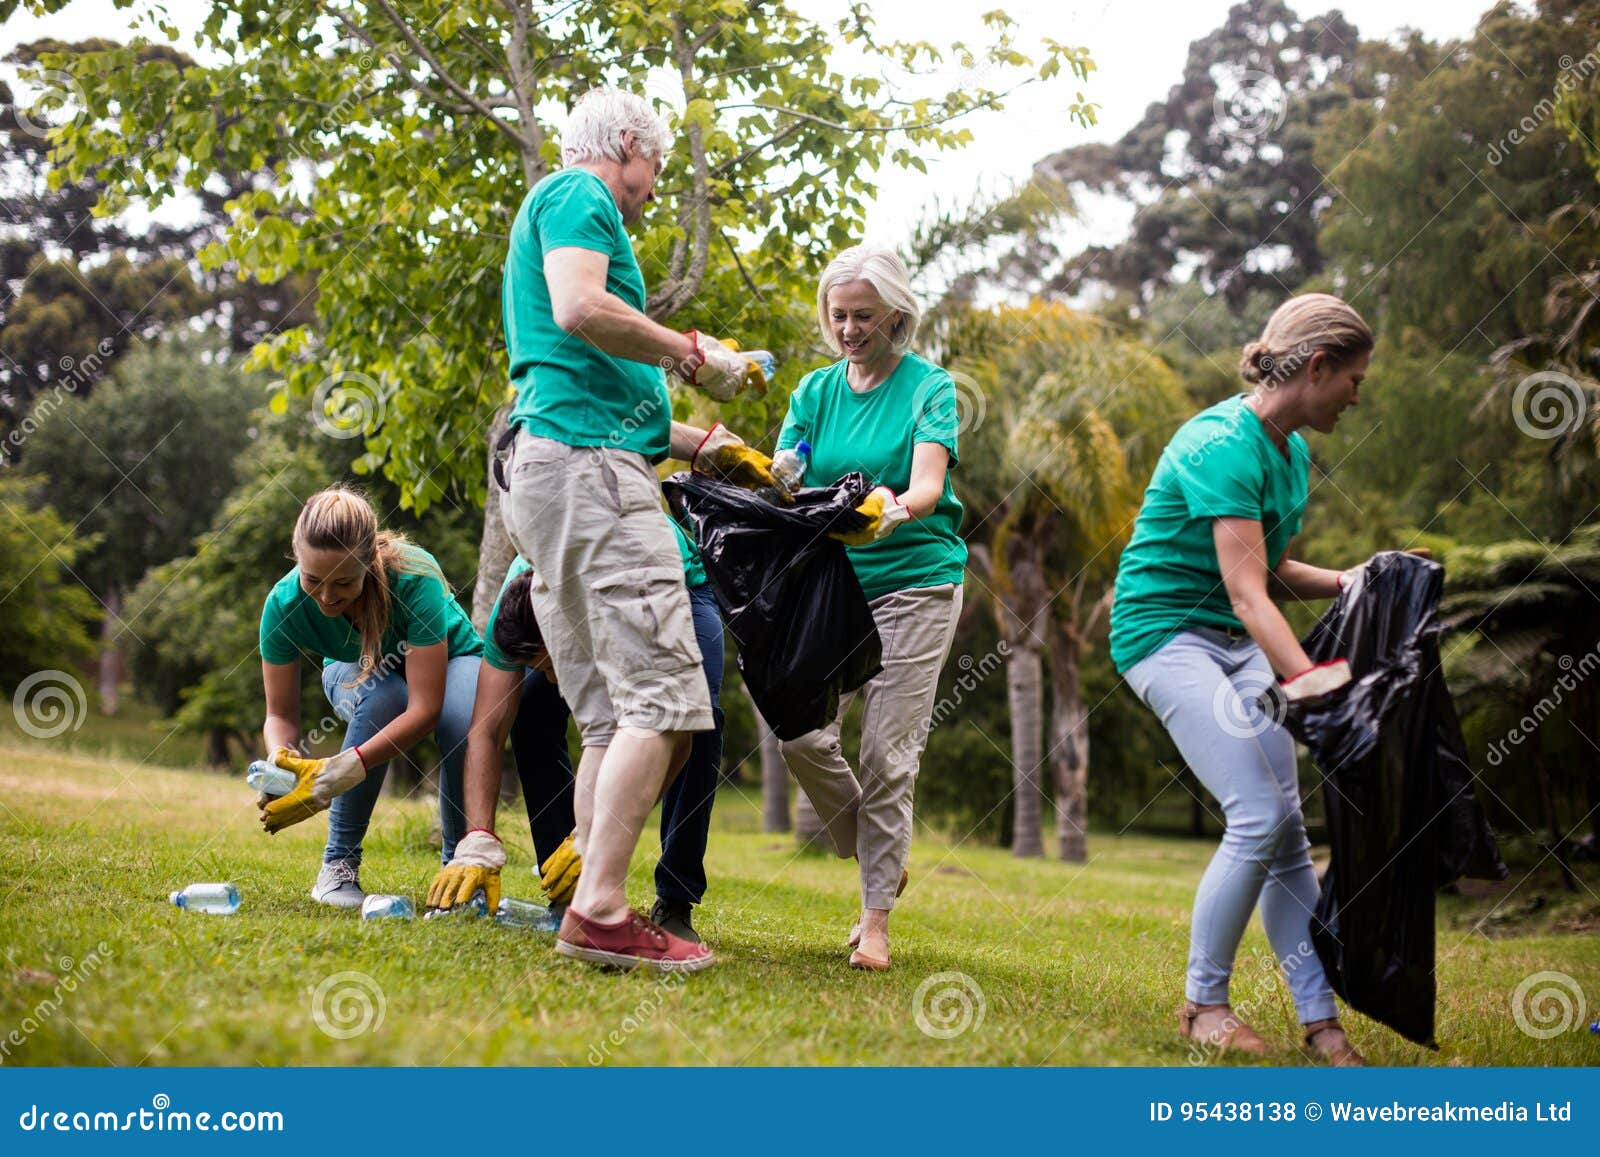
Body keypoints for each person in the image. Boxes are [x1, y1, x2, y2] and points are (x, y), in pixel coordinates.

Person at [498, 88, 884, 971]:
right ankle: (601, 909)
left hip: (567, 466)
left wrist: (712, 445)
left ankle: (588, 905)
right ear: (627, 145)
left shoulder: (566, 211)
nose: (649, 192)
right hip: (591, 474)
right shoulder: (578, 195)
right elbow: (579, 310)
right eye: (655, 172)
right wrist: (688, 350)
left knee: (606, 716)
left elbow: (592, 379)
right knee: (672, 695)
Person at [1109, 292, 1374, 1066]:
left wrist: (1346, 580)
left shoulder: (1289, 449)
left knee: (1288, 827)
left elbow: (1266, 564)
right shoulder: (1222, 441)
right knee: (1258, 813)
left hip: (1229, 635)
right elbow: (1248, 591)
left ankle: (1322, 1023)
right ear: (1317, 367)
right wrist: (1312, 676)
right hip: (1165, 636)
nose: (1358, 395)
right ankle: (1204, 1004)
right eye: (1353, 378)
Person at [775, 244, 968, 971]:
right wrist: (781, 471)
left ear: (895, 314)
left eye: (863, 316)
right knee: (799, 733)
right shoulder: (816, 391)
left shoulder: (930, 388)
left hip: (917, 578)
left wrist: (891, 509)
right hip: (832, 586)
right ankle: (875, 847)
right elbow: (788, 465)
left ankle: (875, 919)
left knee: (888, 753)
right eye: (838, 315)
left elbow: (925, 483)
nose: (849, 329)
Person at [426, 515, 727, 945]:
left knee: (701, 719)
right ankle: (567, 885)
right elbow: (485, 732)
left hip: (674, 585)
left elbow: (675, 735)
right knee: (529, 705)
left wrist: (600, 832)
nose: (552, 678)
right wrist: (478, 838)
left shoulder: (629, 612)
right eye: (535, 666)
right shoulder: (513, 615)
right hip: (588, 581)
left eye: (551, 664)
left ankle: (674, 898)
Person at [256, 487, 482, 909]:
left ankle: (460, 868)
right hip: (355, 666)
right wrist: (280, 765)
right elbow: (279, 714)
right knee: (382, 697)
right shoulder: (282, 605)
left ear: (368, 562)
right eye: (313, 580)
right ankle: (338, 866)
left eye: (343, 582)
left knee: (459, 722)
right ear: (296, 559)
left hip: (454, 658)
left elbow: (425, 708)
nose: (326, 596)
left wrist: (340, 771)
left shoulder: (415, 577)